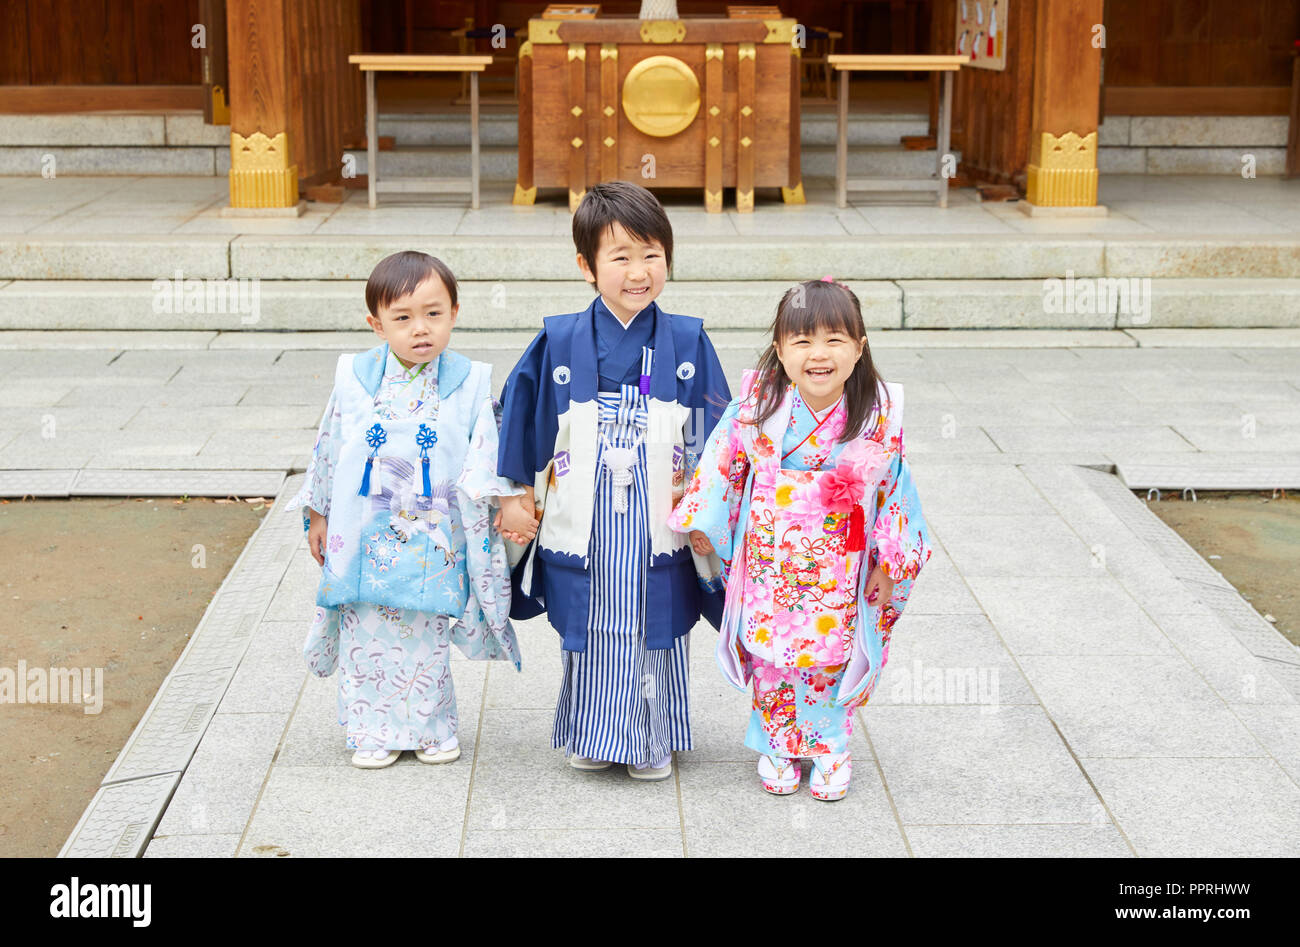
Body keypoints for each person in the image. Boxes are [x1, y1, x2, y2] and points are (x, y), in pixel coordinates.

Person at [496, 181, 730, 781]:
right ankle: (594, 733)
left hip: (660, 507)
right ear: (586, 265)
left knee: (656, 618)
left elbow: (711, 423)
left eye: (652, 255)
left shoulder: (686, 338)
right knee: (592, 620)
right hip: (585, 504)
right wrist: (521, 492)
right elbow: (528, 420)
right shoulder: (561, 339)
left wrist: (707, 502)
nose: (638, 271)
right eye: (620, 256)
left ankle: (653, 737)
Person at [667, 278, 931, 800]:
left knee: (834, 648)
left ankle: (830, 744)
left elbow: (896, 488)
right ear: (780, 350)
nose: (819, 354)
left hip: (842, 561)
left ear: (859, 348)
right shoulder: (755, 408)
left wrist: (889, 560)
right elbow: (725, 464)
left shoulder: (879, 414)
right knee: (770, 650)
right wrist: (704, 521)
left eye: (835, 340)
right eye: (803, 341)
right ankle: (777, 743)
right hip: (770, 556)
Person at [288, 250, 527, 769]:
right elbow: (329, 447)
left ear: (455, 312)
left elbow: (487, 452)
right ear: (377, 324)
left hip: (433, 538)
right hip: (363, 532)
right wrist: (320, 513)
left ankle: (430, 727)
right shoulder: (353, 378)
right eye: (403, 318)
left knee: (425, 634)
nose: (421, 329)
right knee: (365, 631)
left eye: (433, 313)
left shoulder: (468, 381)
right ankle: (370, 730)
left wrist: (506, 501)